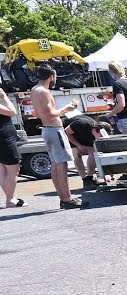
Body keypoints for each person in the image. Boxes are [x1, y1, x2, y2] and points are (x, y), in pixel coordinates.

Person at [31, 66, 82, 208]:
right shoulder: (44, 91)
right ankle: (67, 199)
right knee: (62, 165)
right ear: (51, 77)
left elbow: (40, 113)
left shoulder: (34, 90)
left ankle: (63, 198)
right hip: (54, 130)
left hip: (47, 129)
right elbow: (50, 114)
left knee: (55, 165)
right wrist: (67, 109)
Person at [64, 115, 112, 189]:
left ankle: (90, 178)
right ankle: (85, 180)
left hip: (83, 134)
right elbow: (66, 132)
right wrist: (79, 145)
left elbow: (101, 155)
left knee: (93, 153)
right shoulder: (81, 124)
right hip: (69, 134)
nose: (101, 138)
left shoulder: (95, 133)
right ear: (95, 130)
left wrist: (106, 174)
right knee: (77, 153)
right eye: (101, 136)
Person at [104, 61, 127, 135]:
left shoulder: (117, 84)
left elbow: (121, 105)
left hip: (125, 120)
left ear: (111, 72)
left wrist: (110, 114)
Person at [0, 88, 22, 208]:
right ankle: (10, 199)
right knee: (14, 168)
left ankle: (10, 197)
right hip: (4, 139)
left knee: (3, 170)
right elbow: (12, 112)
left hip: (3, 139)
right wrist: (4, 97)